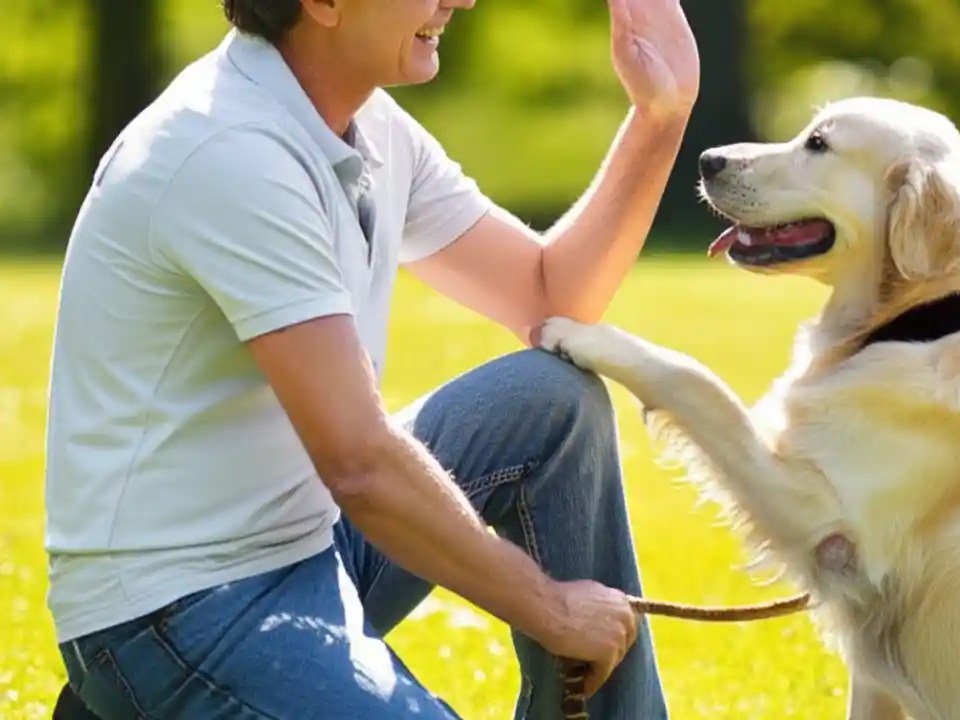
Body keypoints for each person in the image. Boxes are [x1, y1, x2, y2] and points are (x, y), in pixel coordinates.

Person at [43, 0, 699, 717]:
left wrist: (659, 116)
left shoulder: (365, 125)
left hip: (307, 541)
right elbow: (359, 463)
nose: (459, 1)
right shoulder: (228, 151)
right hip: (175, 609)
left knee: (553, 403)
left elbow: (548, 293)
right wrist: (554, 610)